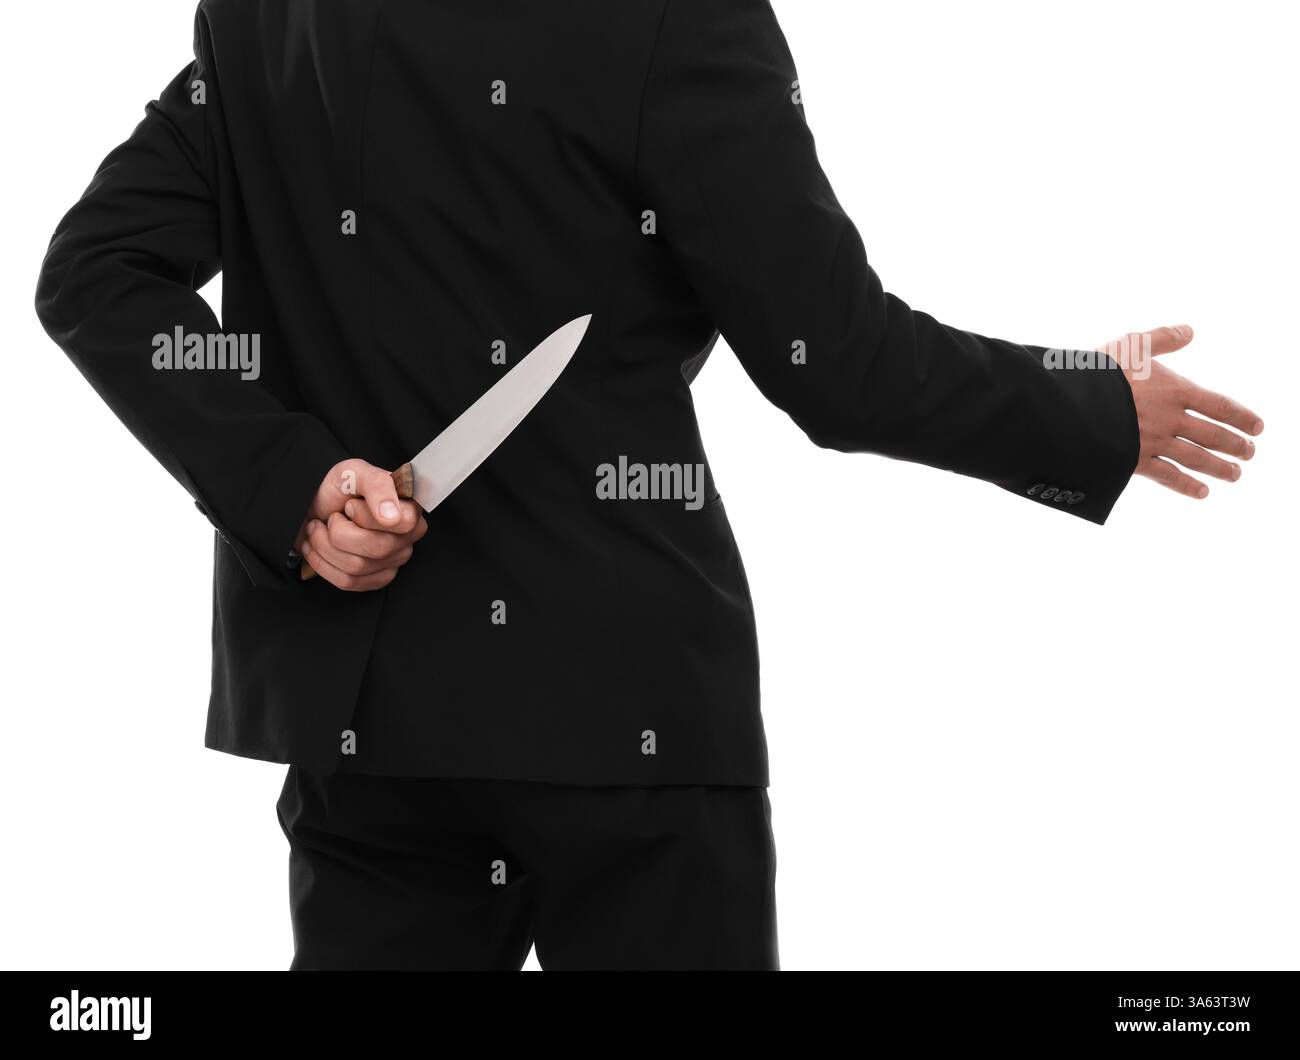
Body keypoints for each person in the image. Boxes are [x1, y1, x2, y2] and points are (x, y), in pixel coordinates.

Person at [34, 0, 1261, 970]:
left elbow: (95, 273)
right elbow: (835, 366)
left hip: (371, 734)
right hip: (622, 719)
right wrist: (1089, 403)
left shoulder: (268, 14)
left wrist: (297, 488)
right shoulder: (671, 15)